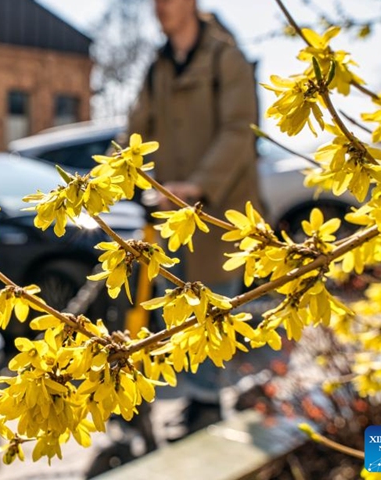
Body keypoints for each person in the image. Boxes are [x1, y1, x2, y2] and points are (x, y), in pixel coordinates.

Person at [128, 0, 261, 437]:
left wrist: (199, 184)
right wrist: (113, 174)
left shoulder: (226, 55)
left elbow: (239, 129)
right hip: (172, 215)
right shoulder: (157, 66)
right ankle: (194, 401)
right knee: (177, 314)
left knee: (213, 313)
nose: (159, 9)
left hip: (219, 213)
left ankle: (208, 405)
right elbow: (135, 128)